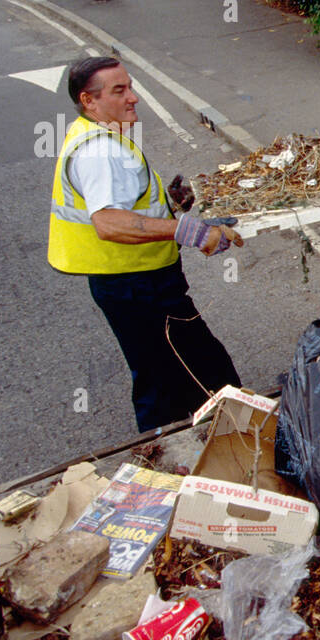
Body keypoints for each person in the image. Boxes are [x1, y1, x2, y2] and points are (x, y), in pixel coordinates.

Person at [47, 56, 245, 432]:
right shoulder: (101, 152)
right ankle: (232, 449)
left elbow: (125, 204)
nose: (133, 97)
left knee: (163, 377)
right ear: (89, 101)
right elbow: (109, 222)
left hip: (126, 283)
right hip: (140, 287)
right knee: (207, 377)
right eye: (119, 90)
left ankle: (174, 455)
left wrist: (173, 206)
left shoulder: (91, 134)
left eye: (131, 86)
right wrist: (196, 233)